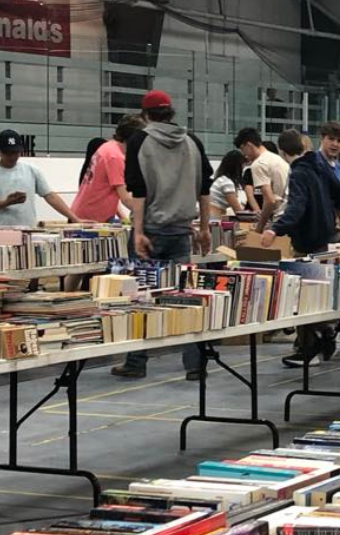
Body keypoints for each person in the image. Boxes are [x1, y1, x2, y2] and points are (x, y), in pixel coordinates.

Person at [111, 89, 214, 380]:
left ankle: (136, 363)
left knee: (143, 296)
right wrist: (205, 228)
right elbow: (204, 188)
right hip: (183, 230)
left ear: (145, 115)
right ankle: (195, 366)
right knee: (187, 298)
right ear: (172, 112)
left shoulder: (139, 140)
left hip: (152, 229)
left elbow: (139, 191)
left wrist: (138, 231)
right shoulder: (192, 141)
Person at [262, 129, 340, 366]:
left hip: (306, 241)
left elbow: (296, 207)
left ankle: (310, 348)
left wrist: (274, 229)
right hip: (326, 238)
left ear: (281, 151)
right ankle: (325, 334)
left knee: (301, 297)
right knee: (319, 294)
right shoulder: (320, 166)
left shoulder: (299, 172)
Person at [0, 129, 84, 229]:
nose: (12, 157)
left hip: (27, 231)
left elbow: (50, 196)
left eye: (15, 152)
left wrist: (74, 218)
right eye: (8, 153)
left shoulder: (31, 170)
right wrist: (5, 203)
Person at [71, 115, 146, 223]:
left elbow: (109, 190)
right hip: (89, 220)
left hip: (84, 214)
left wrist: (122, 217)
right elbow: (126, 199)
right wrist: (150, 214)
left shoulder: (108, 147)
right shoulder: (115, 157)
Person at [234, 129, 289, 232]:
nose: (243, 154)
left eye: (242, 149)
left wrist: (259, 228)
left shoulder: (259, 164)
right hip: (289, 216)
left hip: (280, 218)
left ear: (249, 145)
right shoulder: (276, 158)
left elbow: (270, 200)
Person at [209, 150, 248, 218]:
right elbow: (237, 210)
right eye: (243, 165)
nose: (243, 168)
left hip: (211, 214)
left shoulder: (222, 179)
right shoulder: (226, 182)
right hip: (213, 216)